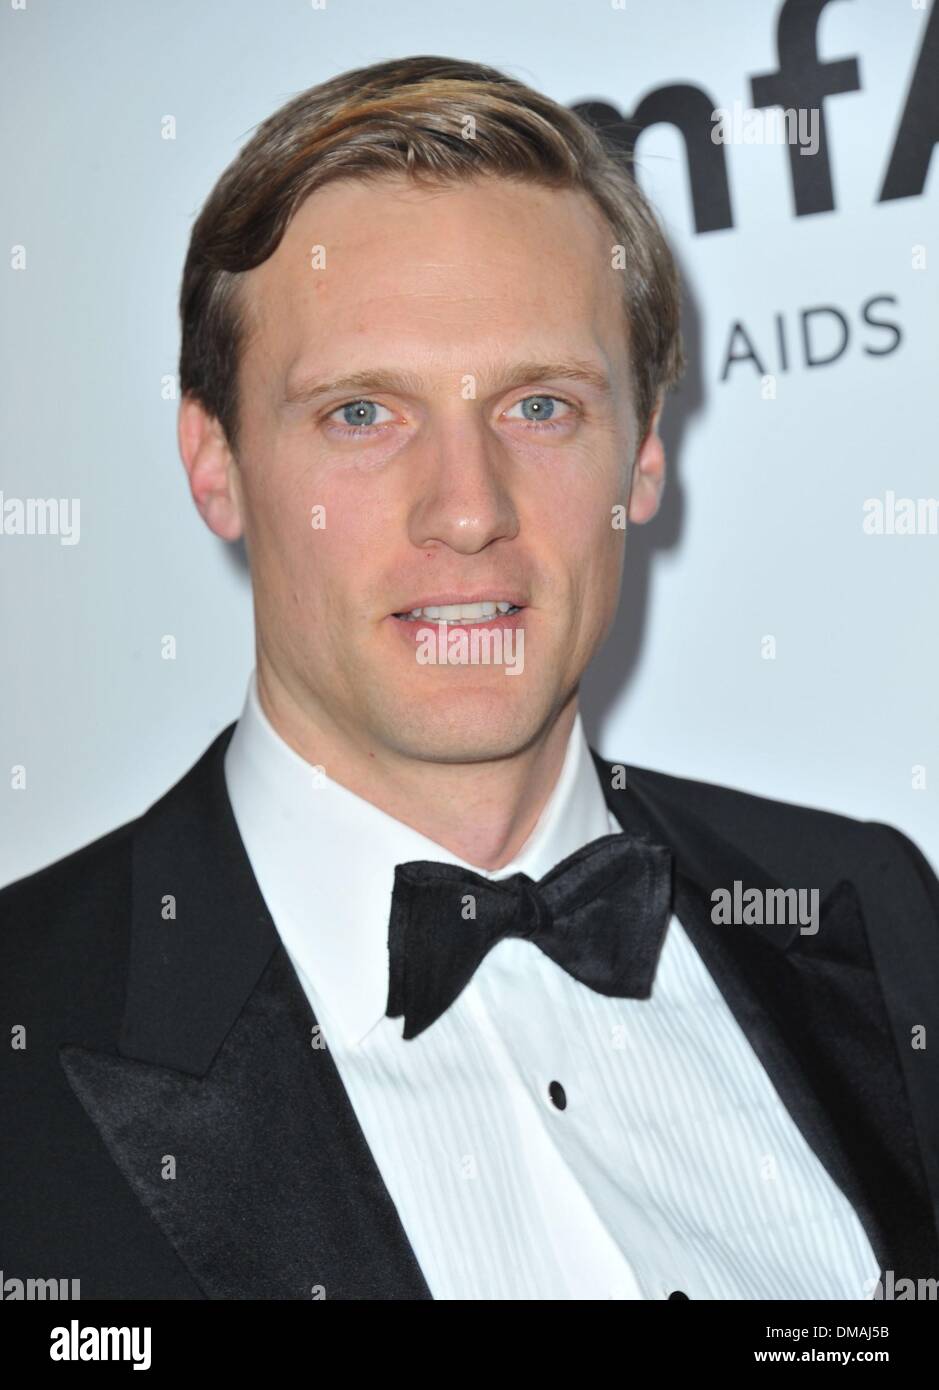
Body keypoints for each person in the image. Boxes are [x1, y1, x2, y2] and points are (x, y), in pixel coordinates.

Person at [2, 54, 937, 1302]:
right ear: (214, 460)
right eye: (361, 415)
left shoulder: (870, 908)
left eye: (539, 406)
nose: (467, 511)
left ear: (643, 455)